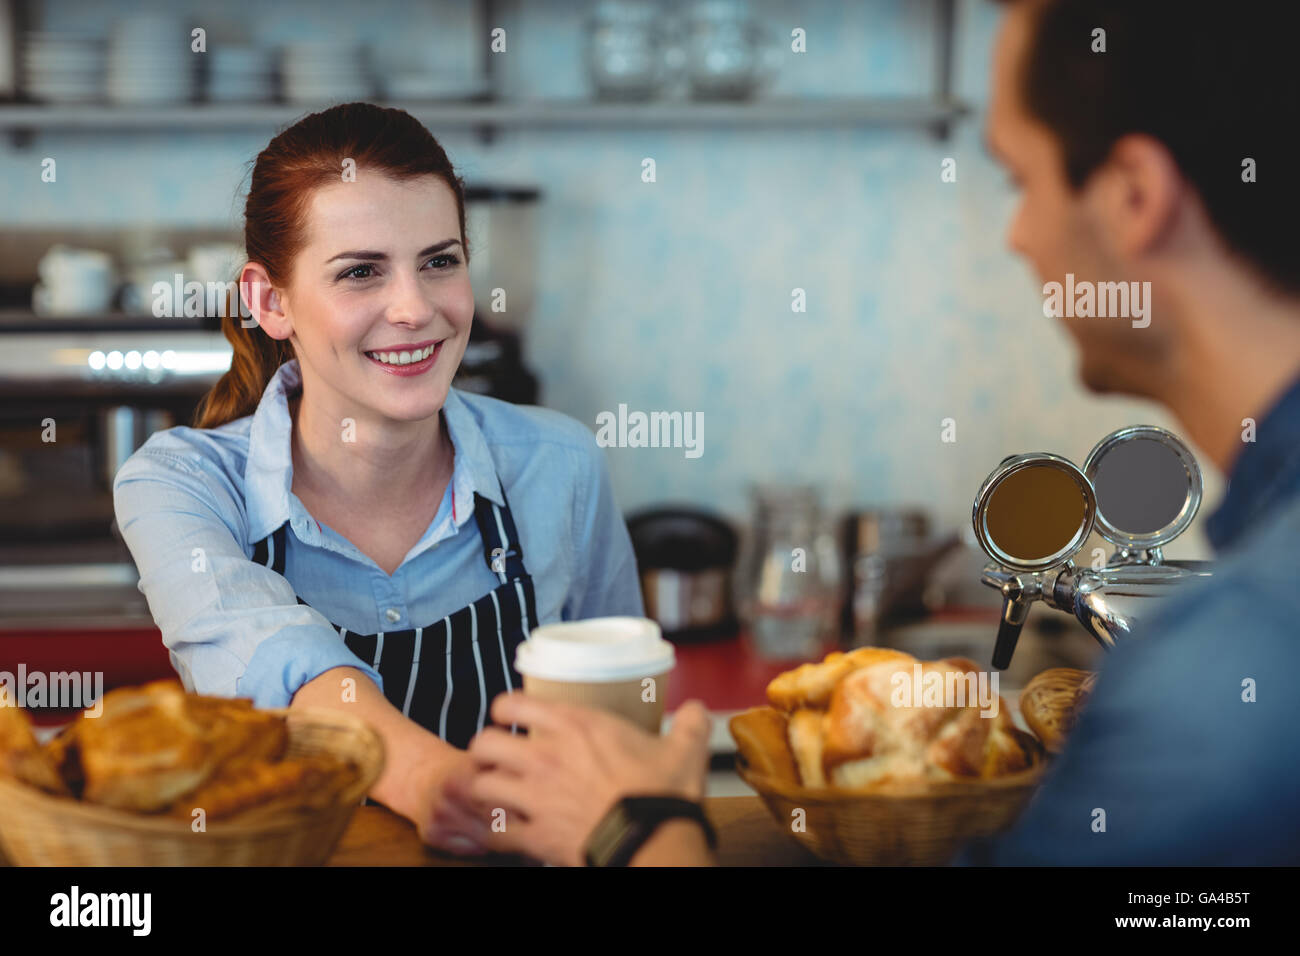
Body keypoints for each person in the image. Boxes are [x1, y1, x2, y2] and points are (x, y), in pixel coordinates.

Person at [465, 0, 1300, 866]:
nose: (1018, 237)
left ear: (1135, 198)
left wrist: (635, 831)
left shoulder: (1226, 670)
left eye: (1021, 182)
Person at [112, 103, 643, 855]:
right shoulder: (181, 485)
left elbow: (614, 714)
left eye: (440, 261)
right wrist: (434, 786)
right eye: (361, 272)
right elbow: (281, 659)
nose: (415, 308)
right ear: (271, 301)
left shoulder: (558, 464)